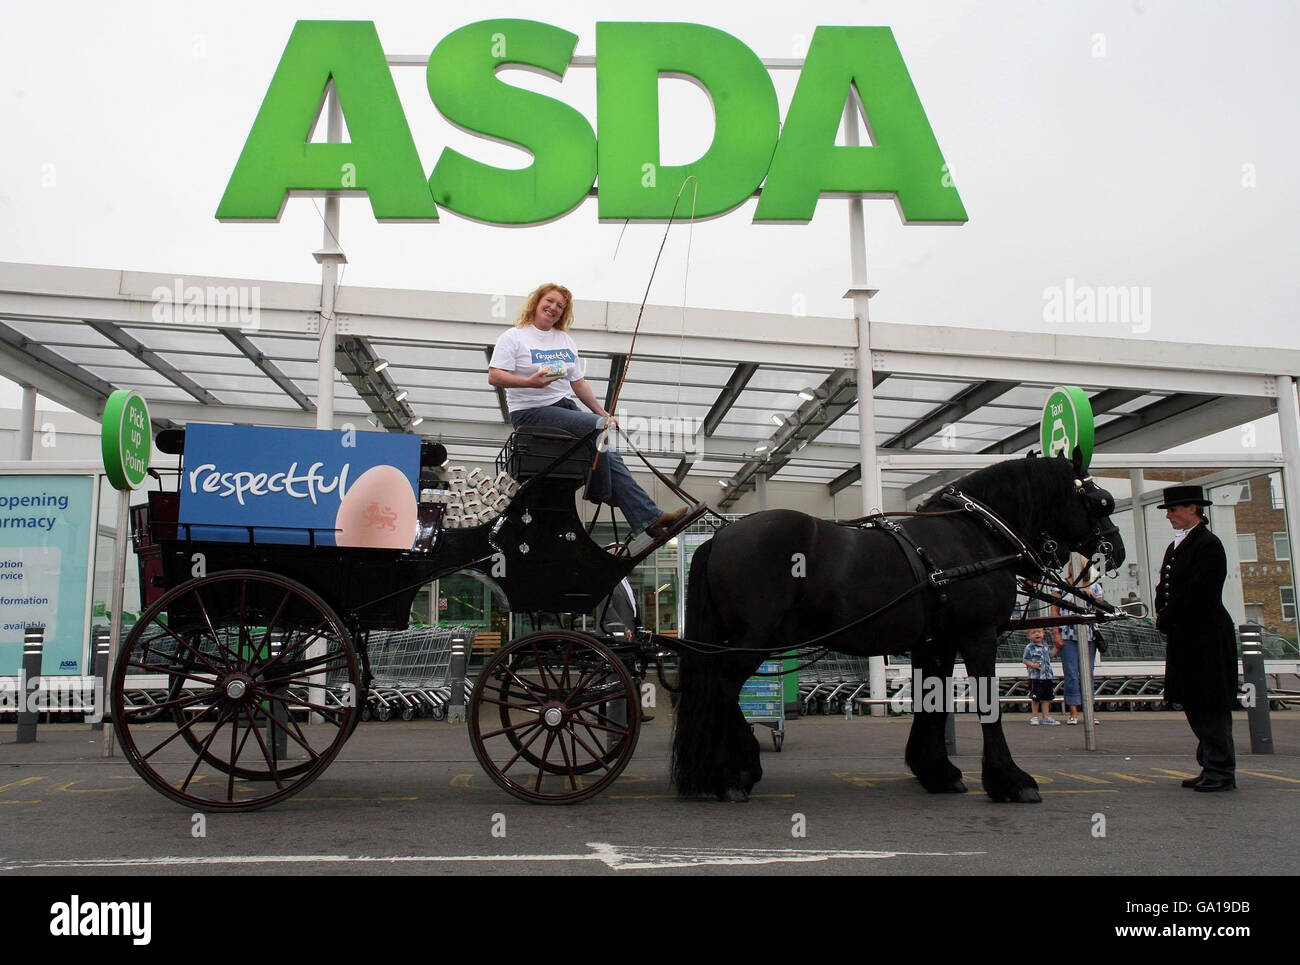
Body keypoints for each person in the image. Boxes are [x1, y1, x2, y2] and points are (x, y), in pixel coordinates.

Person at [487, 283, 688, 540]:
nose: (553, 308)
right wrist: (530, 382)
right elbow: (495, 376)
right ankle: (601, 491)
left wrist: (602, 413)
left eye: (560, 306)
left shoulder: (565, 341)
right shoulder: (514, 337)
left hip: (564, 407)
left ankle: (650, 518)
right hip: (530, 411)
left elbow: (578, 383)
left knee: (610, 453)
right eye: (549, 301)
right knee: (597, 430)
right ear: (536, 302)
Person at [1154, 485, 1239, 792]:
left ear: (1193, 509)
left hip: (1205, 633)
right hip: (1185, 633)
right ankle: (1209, 763)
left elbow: (1200, 591)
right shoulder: (1178, 545)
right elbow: (1165, 585)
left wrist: (1167, 615)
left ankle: (1221, 769)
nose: (1170, 517)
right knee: (1193, 701)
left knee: (1210, 703)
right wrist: (1162, 612)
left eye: (1173, 510)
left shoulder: (1208, 544)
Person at [1051, 570, 1103, 725]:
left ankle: (1089, 710)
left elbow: (1101, 610)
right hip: (1068, 633)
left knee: (1088, 673)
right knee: (1071, 673)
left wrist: (1092, 599)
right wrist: (1056, 633)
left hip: (1088, 634)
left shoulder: (1095, 586)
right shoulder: (1060, 584)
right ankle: (1073, 711)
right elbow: (1054, 609)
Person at [1022, 627, 1060, 725]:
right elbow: (1025, 659)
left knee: (1047, 698)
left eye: (1039, 632)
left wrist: (1057, 647)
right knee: (1036, 698)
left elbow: (1050, 655)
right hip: (1036, 677)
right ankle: (1034, 717)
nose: (1037, 634)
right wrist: (1032, 665)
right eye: (1033, 632)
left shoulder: (1045, 646)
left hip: (1047, 676)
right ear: (1029, 636)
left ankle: (1046, 717)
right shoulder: (1029, 647)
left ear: (1043, 634)